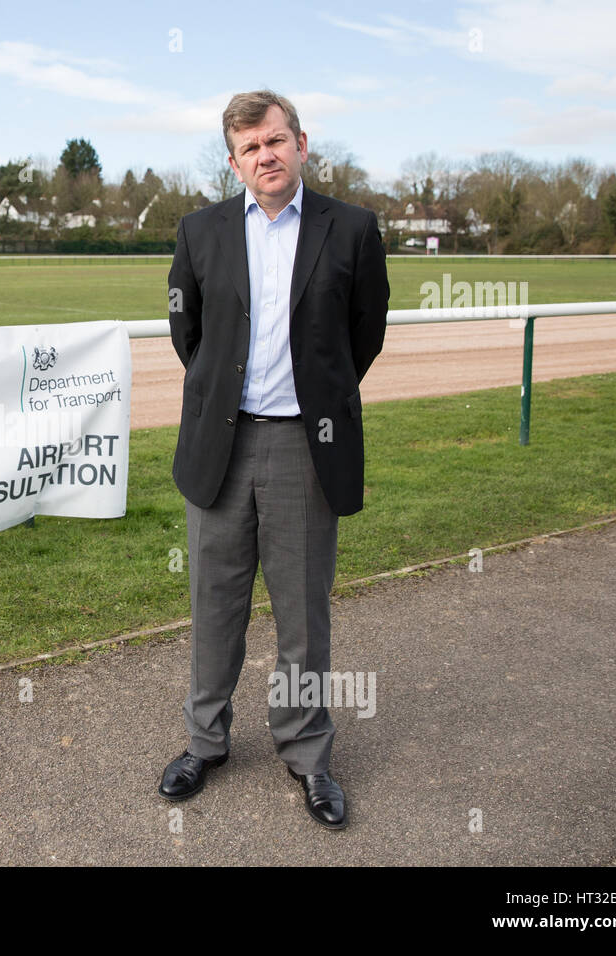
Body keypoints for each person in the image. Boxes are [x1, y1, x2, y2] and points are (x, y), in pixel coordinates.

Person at [159, 90, 389, 830]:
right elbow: (188, 335)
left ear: (302, 144)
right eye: (251, 146)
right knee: (214, 603)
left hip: (304, 444)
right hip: (220, 444)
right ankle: (206, 742)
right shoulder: (200, 232)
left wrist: (314, 397)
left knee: (302, 615)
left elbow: (365, 334)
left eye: (277, 139)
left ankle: (307, 753)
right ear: (234, 161)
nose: (267, 154)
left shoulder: (351, 229)